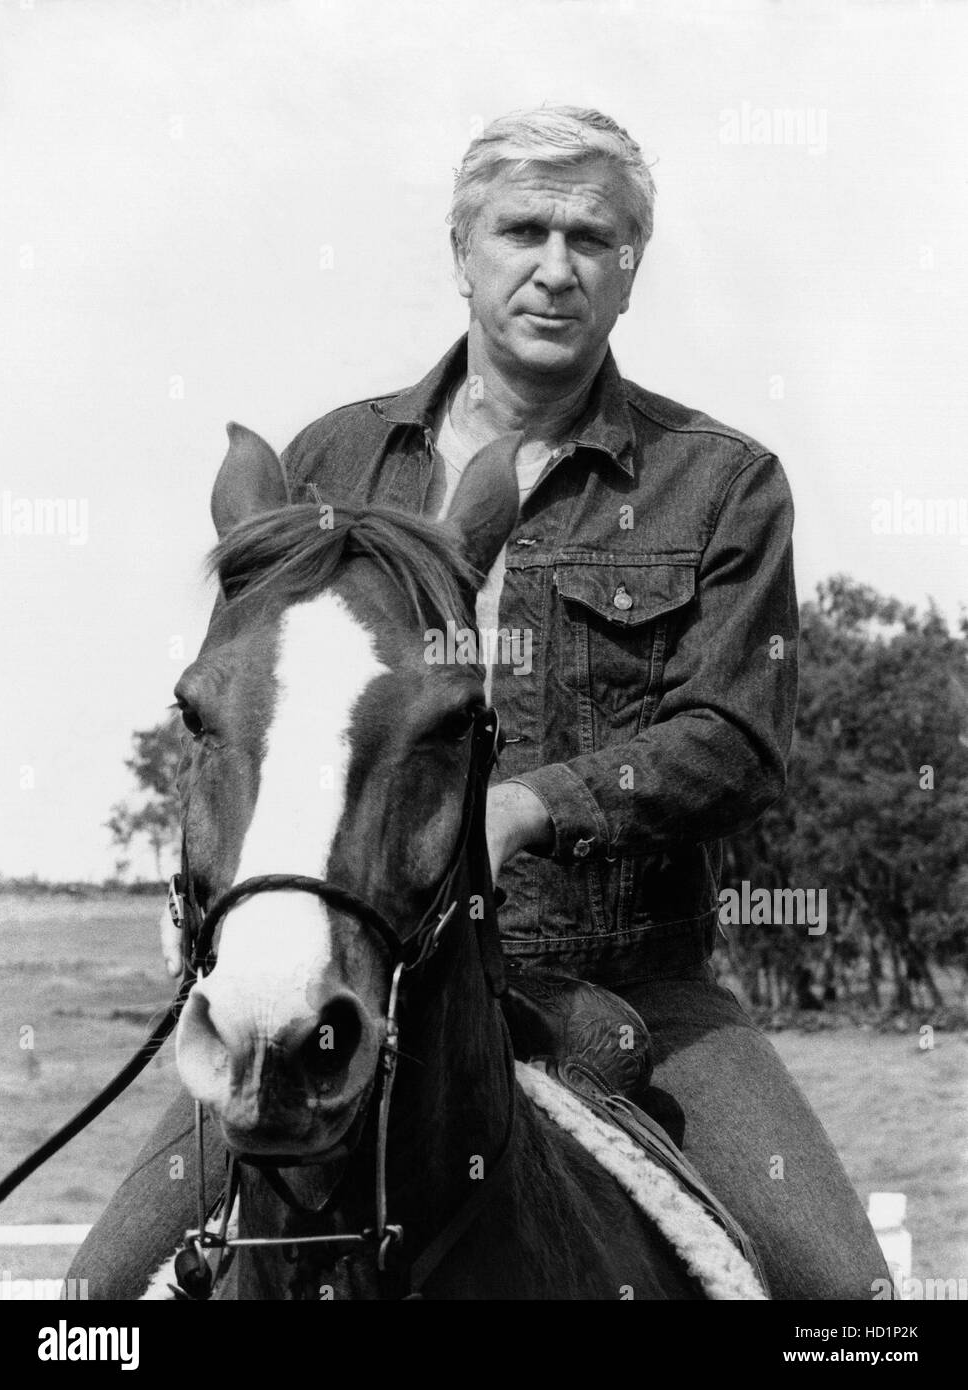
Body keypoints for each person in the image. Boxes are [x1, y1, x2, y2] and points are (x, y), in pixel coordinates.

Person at [70, 105, 888, 1300]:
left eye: (591, 238)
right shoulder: (331, 467)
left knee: (854, 1312)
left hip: (638, 990)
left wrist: (528, 808)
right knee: (90, 1313)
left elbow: (736, 742)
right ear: (461, 250)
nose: (554, 267)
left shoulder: (721, 483)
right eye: (521, 229)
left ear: (628, 273)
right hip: (361, 969)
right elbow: (249, 719)